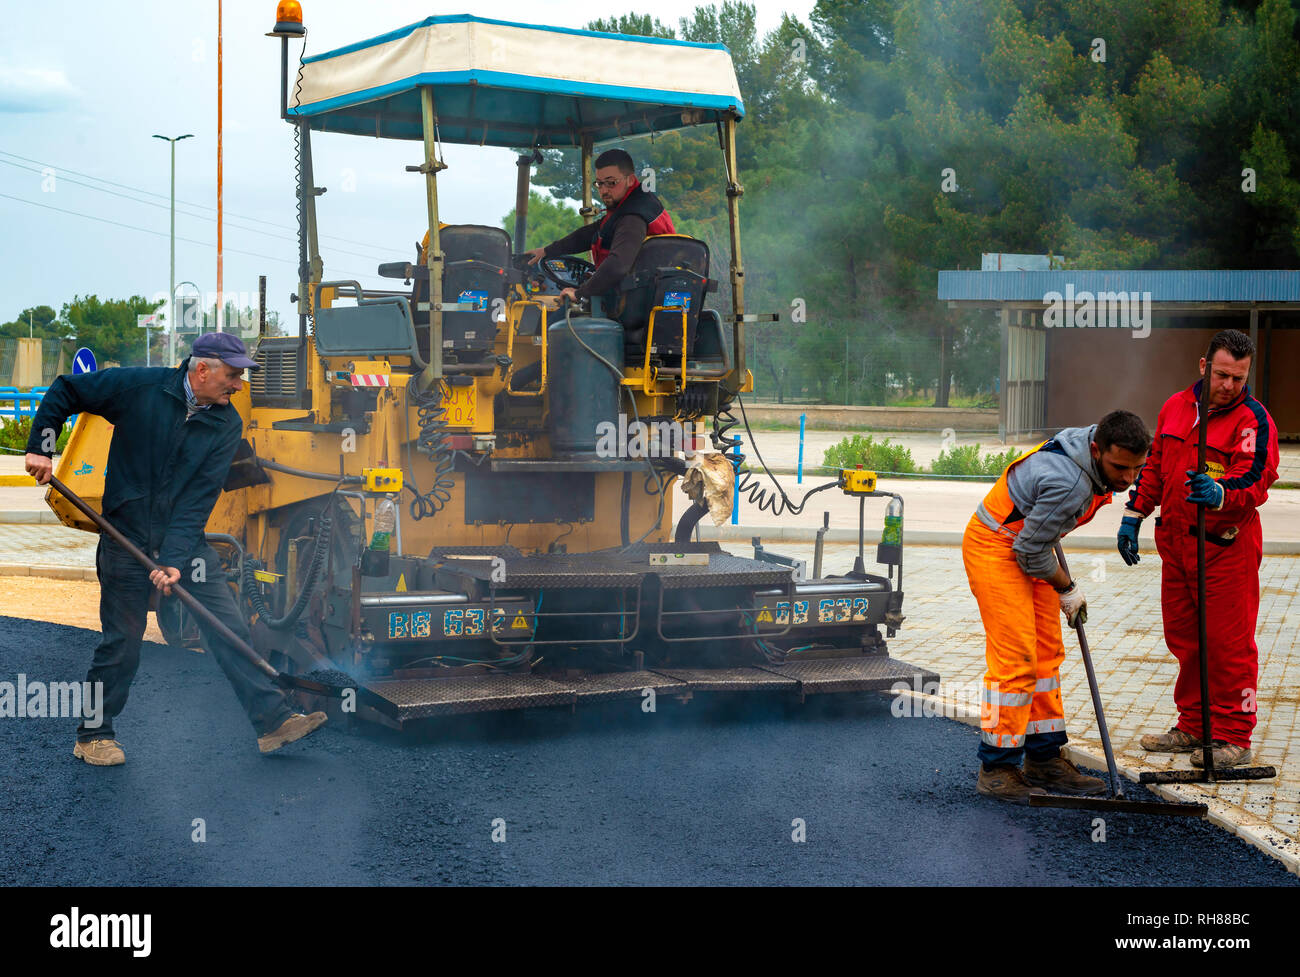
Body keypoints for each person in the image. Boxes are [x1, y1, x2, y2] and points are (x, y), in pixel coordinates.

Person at [24, 332, 326, 766]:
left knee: (228, 627)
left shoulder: (226, 424)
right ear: (202, 370)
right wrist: (42, 447)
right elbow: (66, 389)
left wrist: (175, 561)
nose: (239, 384)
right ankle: (93, 734)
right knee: (121, 644)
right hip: (124, 538)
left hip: (184, 544)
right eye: (234, 374)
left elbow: (199, 498)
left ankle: (272, 721)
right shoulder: (140, 388)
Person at [963, 411, 1151, 803]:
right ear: (1097, 449)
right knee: (1016, 661)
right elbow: (1028, 550)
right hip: (998, 545)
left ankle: (1044, 758)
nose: (1128, 478)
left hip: (1031, 542)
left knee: (1047, 654)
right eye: (1119, 467)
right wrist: (1068, 588)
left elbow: (1035, 542)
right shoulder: (1070, 483)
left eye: (1137, 468)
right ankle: (996, 768)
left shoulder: (1095, 449)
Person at [1119, 329, 1279, 769]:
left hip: (1226, 551)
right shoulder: (1175, 408)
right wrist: (1133, 516)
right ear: (1204, 365)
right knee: (1186, 641)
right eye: (1223, 375)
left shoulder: (1253, 420)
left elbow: (1256, 478)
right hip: (1176, 547)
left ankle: (1233, 736)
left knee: (1228, 645)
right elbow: (1154, 468)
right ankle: (1194, 725)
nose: (1230, 386)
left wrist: (1222, 492)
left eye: (1239, 379)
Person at [523, 147, 676, 304]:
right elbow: (593, 232)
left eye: (611, 183)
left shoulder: (633, 217)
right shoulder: (634, 205)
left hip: (635, 305)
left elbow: (618, 265)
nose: (604, 190)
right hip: (650, 298)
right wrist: (547, 251)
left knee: (554, 319)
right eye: (600, 183)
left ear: (630, 180)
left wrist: (580, 293)